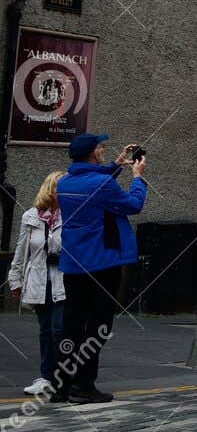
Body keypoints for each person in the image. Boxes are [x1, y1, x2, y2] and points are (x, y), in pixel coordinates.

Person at [56, 133, 147, 404]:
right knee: (98, 326)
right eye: (101, 148)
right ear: (94, 154)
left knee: (72, 324)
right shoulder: (101, 184)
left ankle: (61, 383)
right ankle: (84, 385)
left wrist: (117, 163)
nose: (104, 150)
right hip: (102, 262)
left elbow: (95, 184)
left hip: (73, 262)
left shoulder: (64, 182)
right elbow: (134, 205)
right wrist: (138, 177)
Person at [7, 170, 66, 396]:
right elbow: (22, 251)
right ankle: (45, 377)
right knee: (45, 331)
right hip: (39, 280)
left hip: (63, 280)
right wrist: (15, 280)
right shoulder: (31, 216)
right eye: (61, 187)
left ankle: (61, 378)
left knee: (59, 330)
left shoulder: (71, 216)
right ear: (50, 189)